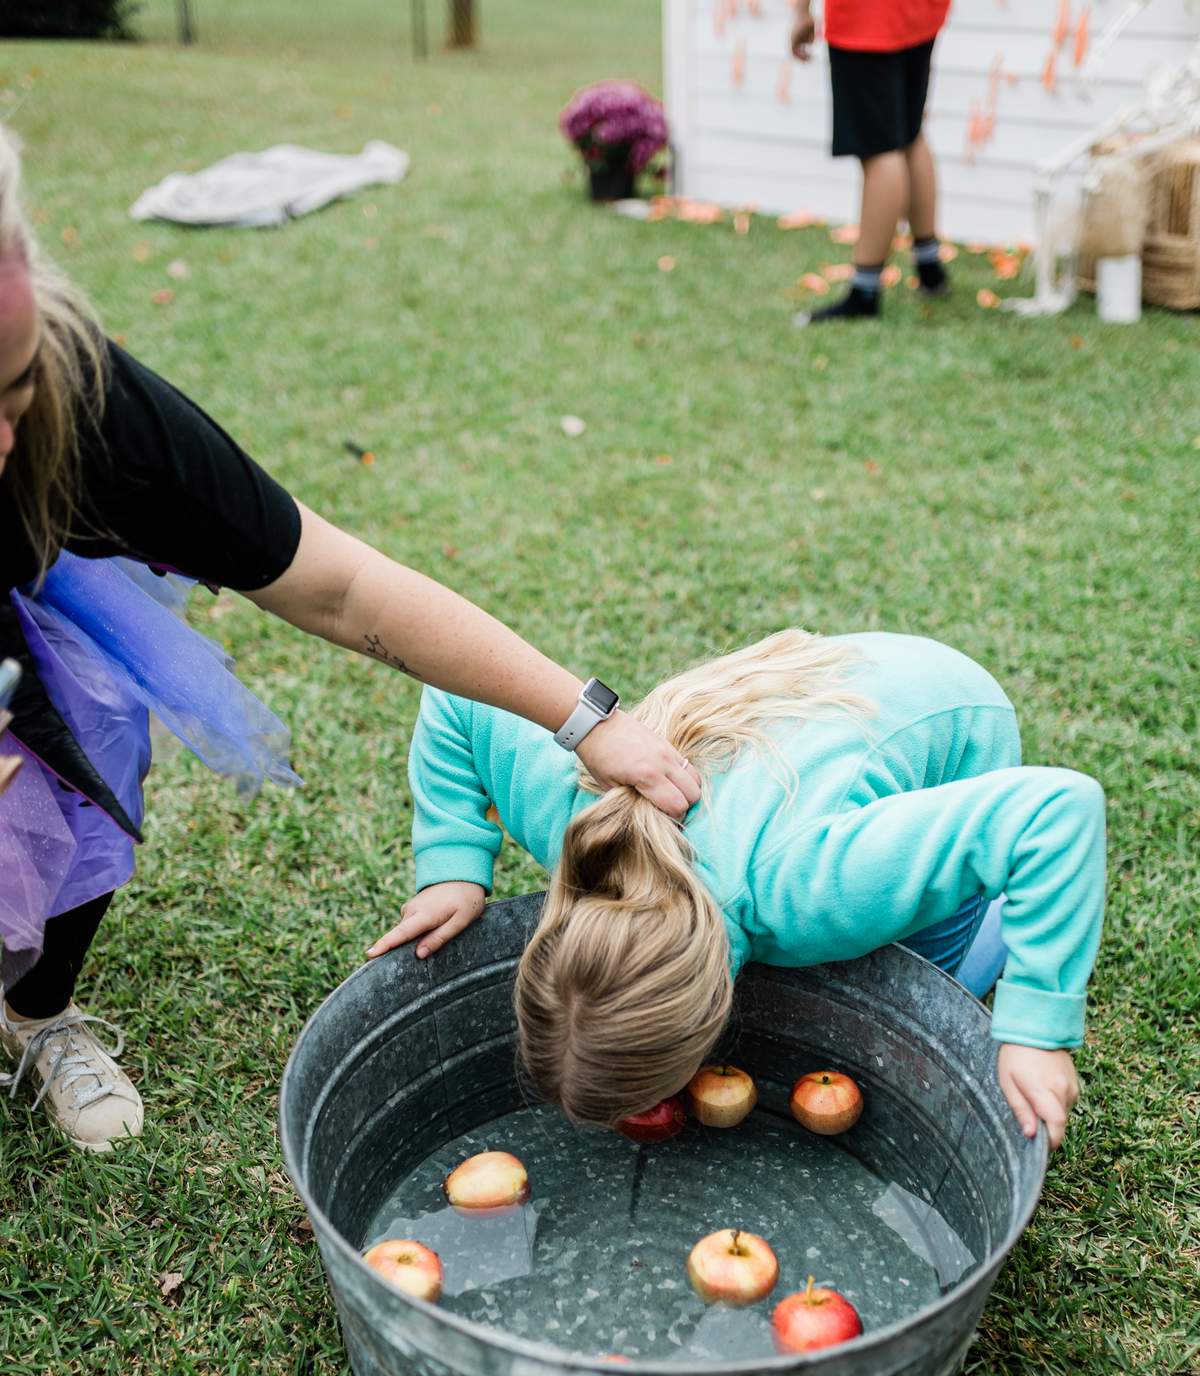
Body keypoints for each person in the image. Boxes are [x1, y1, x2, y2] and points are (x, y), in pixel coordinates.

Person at [0, 125, 700, 1152]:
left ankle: (36, 1009)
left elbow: (339, 586)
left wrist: (582, 717)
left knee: (80, 751)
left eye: (11, 394)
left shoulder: (87, 404)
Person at [370, 629, 1106, 1151]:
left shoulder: (812, 888)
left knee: (925, 975)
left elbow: (1057, 812)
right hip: (802, 717)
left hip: (940, 715)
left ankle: (998, 914)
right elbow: (457, 697)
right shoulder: (561, 814)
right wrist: (453, 867)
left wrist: (1038, 1030)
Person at [791, 0, 952, 324]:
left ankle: (864, 291)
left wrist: (801, 13)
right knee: (910, 131)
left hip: (864, 18)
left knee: (880, 150)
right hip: (920, 12)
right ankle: (929, 266)